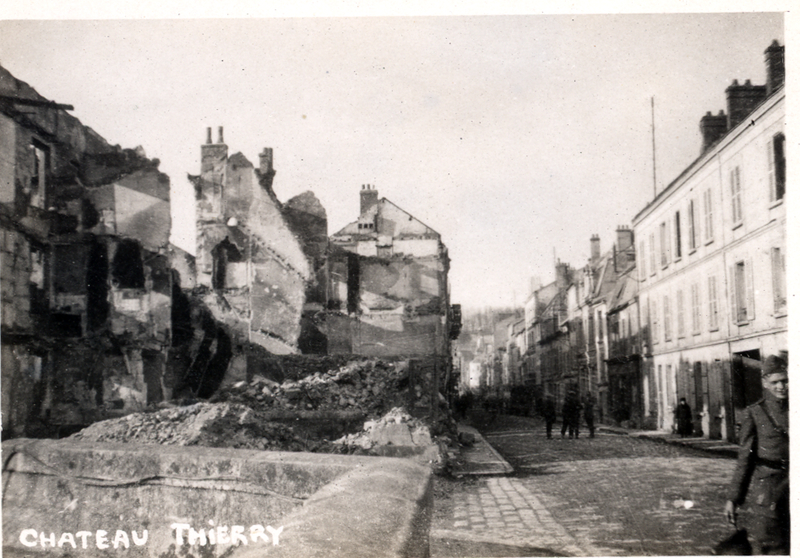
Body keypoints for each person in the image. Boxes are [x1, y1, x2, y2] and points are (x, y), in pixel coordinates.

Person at [724, 354, 789, 555]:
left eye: (785, 381)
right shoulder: (755, 413)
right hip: (769, 491)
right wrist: (734, 499)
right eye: (775, 382)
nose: (781, 387)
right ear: (765, 382)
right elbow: (745, 460)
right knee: (771, 547)